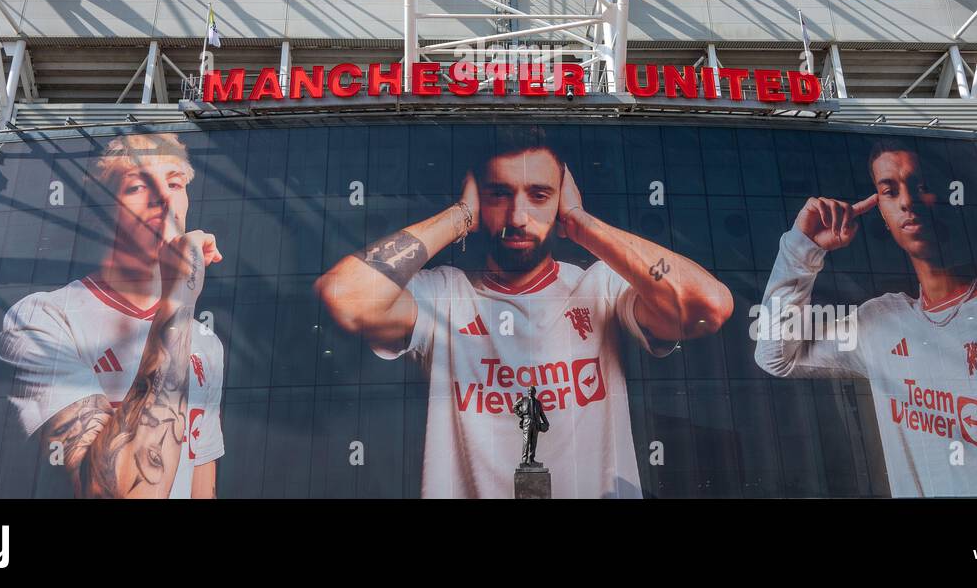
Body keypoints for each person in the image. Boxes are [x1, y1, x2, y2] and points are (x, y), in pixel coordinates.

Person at [315, 125, 734, 498]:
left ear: (559, 200)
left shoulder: (600, 288)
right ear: (478, 198)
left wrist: (581, 223)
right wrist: (459, 216)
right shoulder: (443, 294)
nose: (518, 217)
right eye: (499, 193)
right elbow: (343, 296)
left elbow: (707, 307)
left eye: (539, 195)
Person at [754, 138, 977, 496]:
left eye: (920, 186)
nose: (907, 202)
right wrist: (800, 248)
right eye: (889, 191)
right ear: (882, 213)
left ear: (949, 198)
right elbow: (775, 357)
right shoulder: (879, 323)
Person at [0, 132, 226, 498]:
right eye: (137, 187)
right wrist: (180, 296)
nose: (162, 199)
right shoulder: (44, 318)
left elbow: (201, 483)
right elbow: (113, 492)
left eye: (174, 183)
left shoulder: (204, 341)